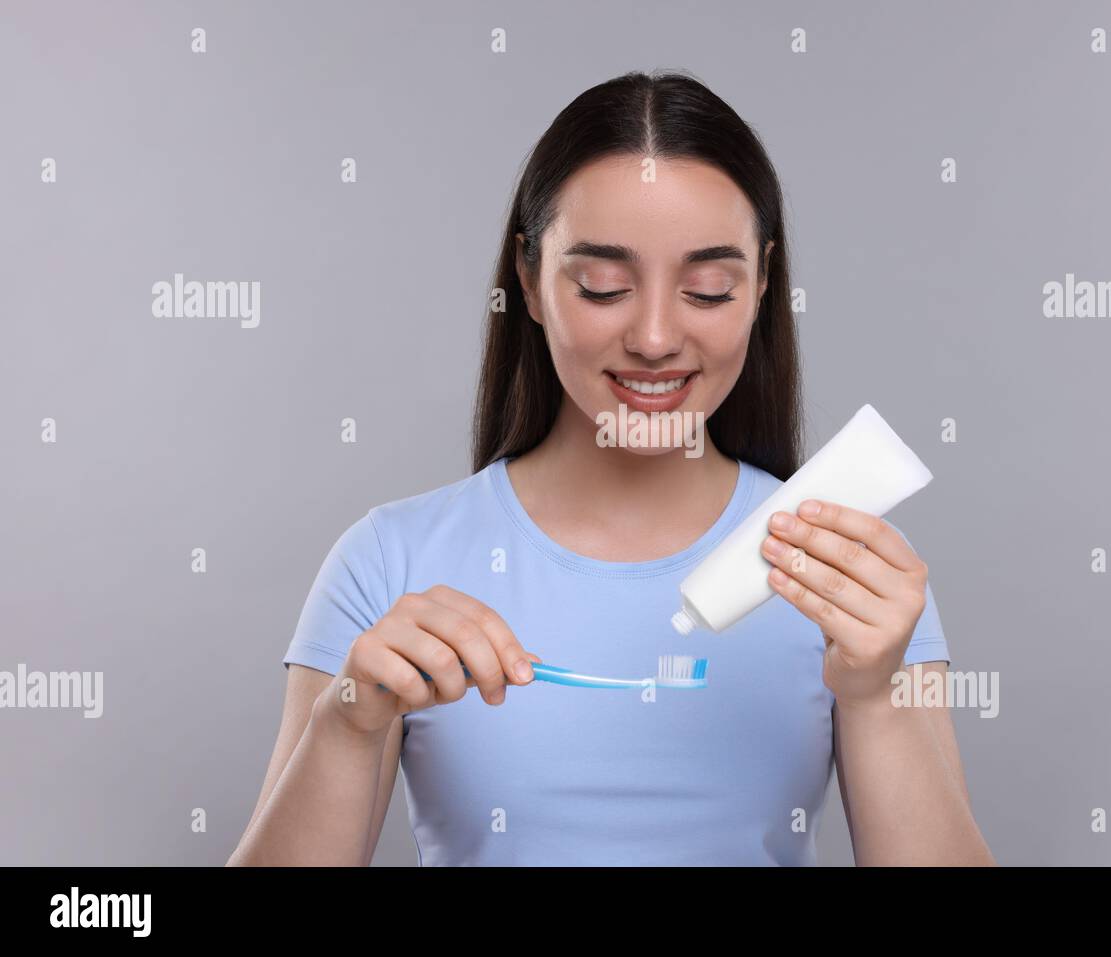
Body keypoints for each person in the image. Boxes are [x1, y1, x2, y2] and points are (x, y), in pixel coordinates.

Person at [227, 70, 994, 866]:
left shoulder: (848, 575)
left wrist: (875, 696)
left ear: (763, 286)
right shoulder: (388, 562)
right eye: (604, 286)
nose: (655, 338)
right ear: (529, 280)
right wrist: (348, 722)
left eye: (708, 289)